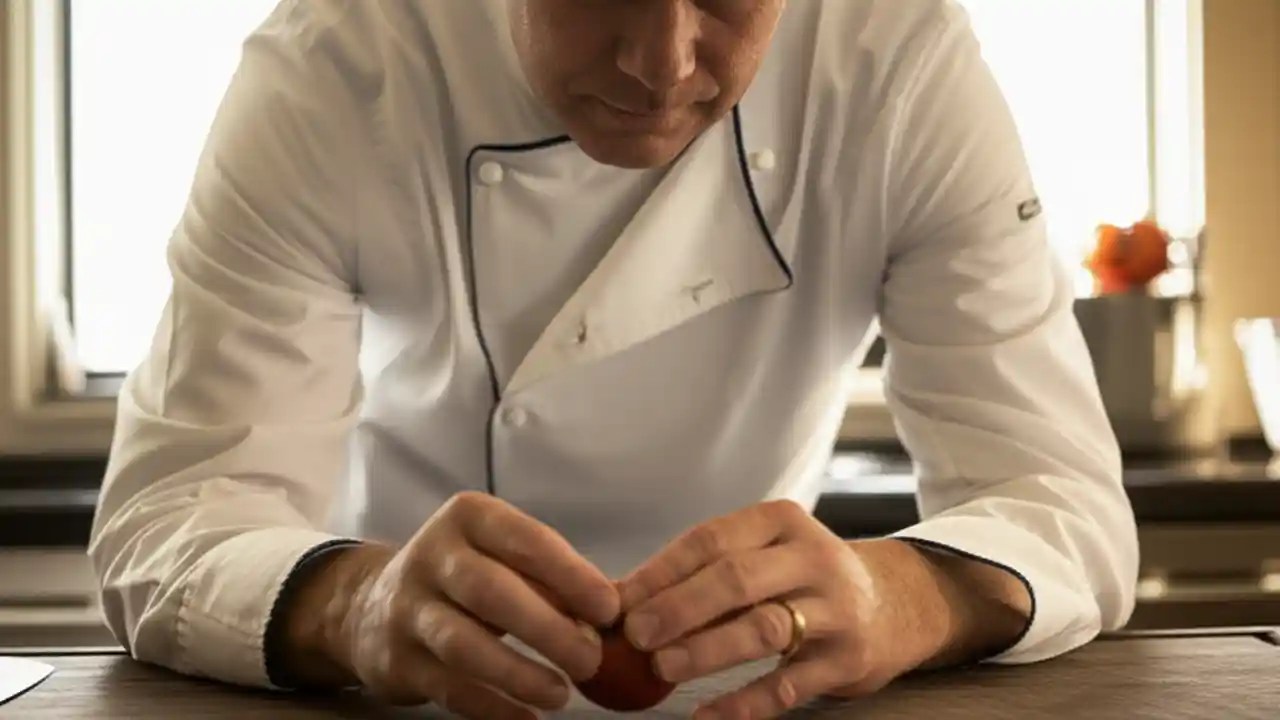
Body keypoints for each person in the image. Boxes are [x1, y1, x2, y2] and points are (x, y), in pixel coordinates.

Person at [88, 1, 1139, 718]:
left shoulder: (893, 61)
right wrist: (355, 604)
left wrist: (892, 593)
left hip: (761, 694)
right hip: (408, 692)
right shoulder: (338, 65)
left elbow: (1061, 503)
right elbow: (168, 519)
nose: (662, 61)